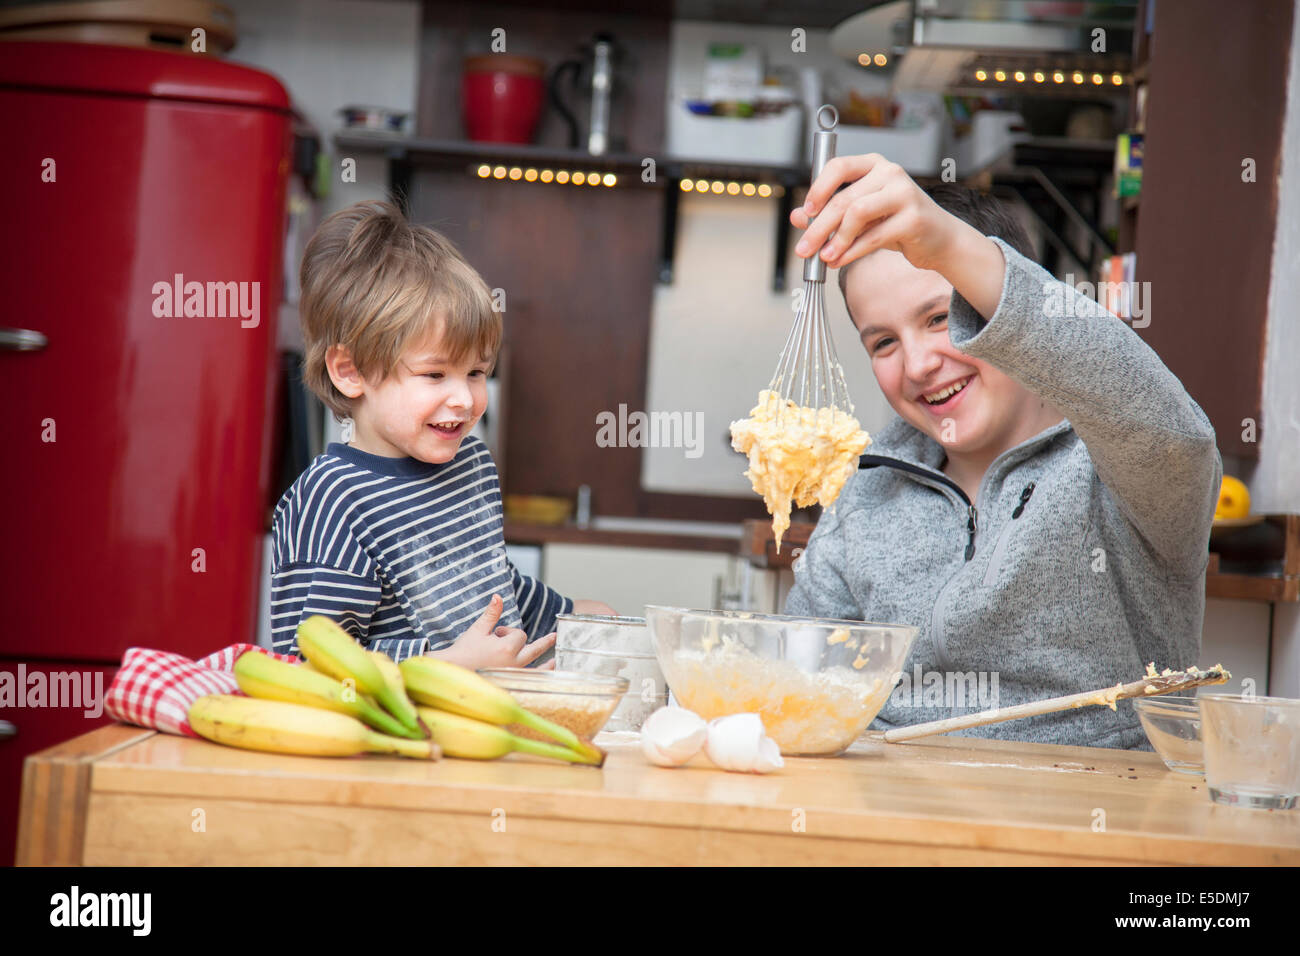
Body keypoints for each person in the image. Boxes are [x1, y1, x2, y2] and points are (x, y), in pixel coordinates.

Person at [783, 158, 1221, 749]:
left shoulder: (1120, 467)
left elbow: (1172, 436)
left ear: (1010, 314)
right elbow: (793, 674)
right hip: (895, 812)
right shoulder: (865, 490)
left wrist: (945, 244)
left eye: (940, 318)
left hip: (1098, 818)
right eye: (883, 341)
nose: (917, 365)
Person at [270, 200, 613, 667]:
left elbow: (489, 586)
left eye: (476, 372)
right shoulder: (334, 500)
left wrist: (568, 616)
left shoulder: (470, 464)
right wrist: (454, 662)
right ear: (350, 371)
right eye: (435, 375)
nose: (465, 399)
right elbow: (315, 665)